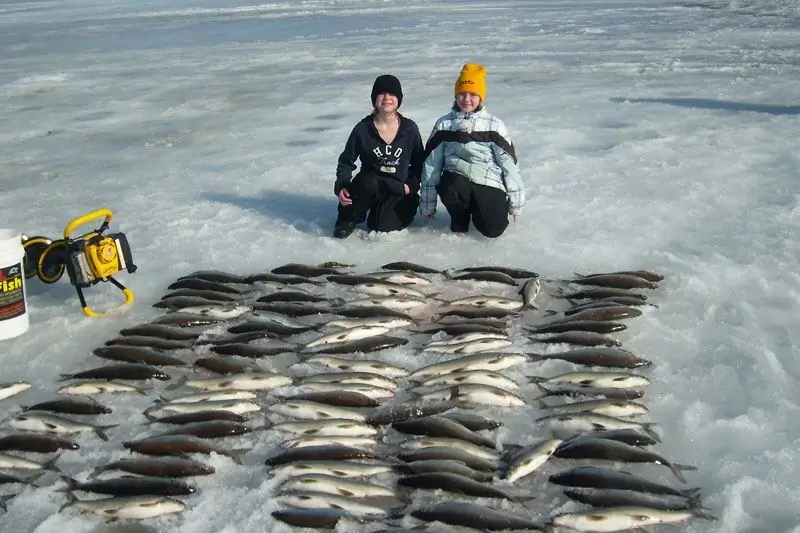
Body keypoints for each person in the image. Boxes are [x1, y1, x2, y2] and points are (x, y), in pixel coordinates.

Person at [419, 63, 525, 238]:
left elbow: (509, 165)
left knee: (493, 230)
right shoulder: (444, 125)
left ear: (481, 97)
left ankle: (481, 209)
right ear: (455, 95)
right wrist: (428, 204)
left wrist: (516, 203)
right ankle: (459, 216)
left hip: (488, 180)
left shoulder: (494, 125)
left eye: (473, 94)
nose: (466, 99)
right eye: (462, 93)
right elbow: (431, 165)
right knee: (450, 186)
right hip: (456, 179)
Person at [332, 74, 425, 239]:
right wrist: (342, 186)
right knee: (367, 181)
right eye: (382, 93)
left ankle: (394, 210)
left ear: (399, 99)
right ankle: (347, 218)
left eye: (392, 93)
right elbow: (346, 161)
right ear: (374, 98)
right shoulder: (363, 129)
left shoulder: (409, 129)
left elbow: (419, 164)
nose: (387, 98)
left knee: (380, 226)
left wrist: (411, 185)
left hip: (397, 188)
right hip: (371, 185)